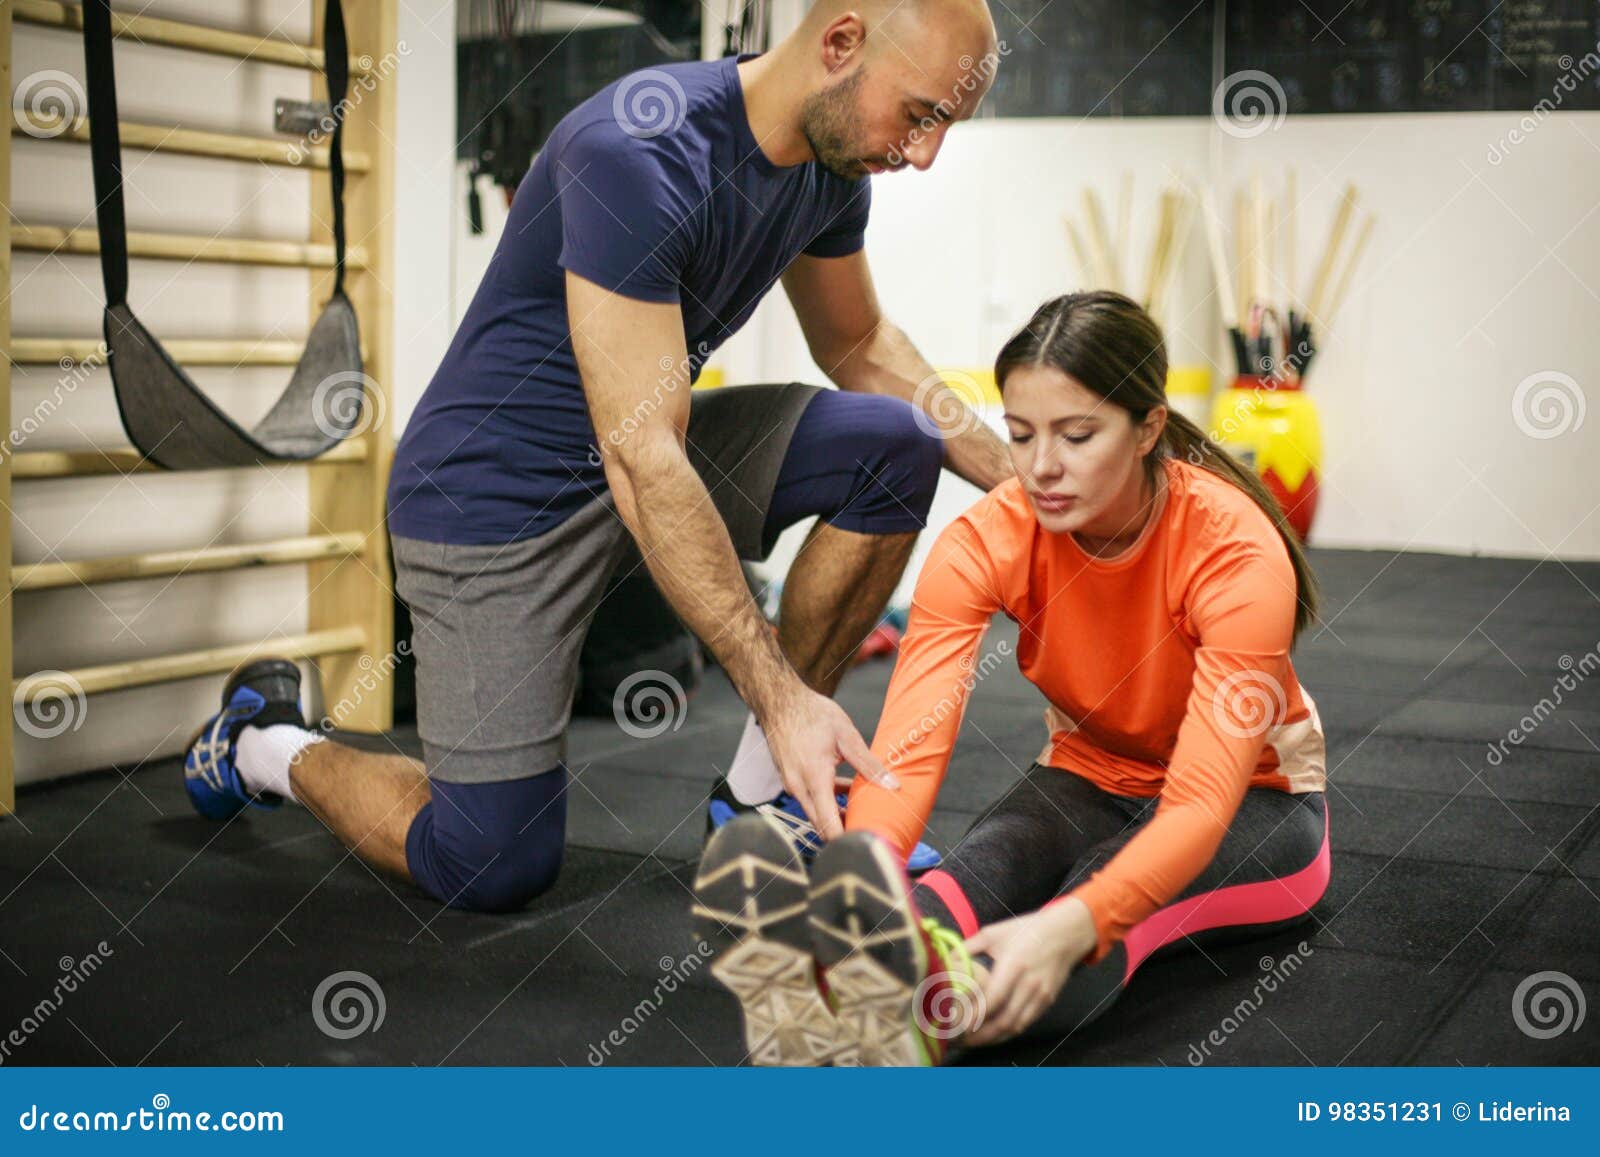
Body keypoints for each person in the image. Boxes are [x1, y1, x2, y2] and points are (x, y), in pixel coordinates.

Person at [180, 0, 1014, 914]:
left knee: (896, 443)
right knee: (490, 861)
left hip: (644, 457)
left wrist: (1029, 480)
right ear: (841, 45)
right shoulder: (637, 151)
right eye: (922, 114)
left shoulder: (831, 170)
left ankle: (760, 804)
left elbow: (860, 345)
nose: (923, 154)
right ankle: (263, 744)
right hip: (491, 502)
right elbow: (643, 458)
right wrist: (780, 694)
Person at [693, 291, 1331, 1065]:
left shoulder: (1235, 552)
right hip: (1087, 775)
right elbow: (909, 752)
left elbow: (1198, 801)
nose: (1042, 468)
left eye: (1078, 435)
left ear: (1149, 428)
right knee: (972, 873)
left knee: (1086, 914)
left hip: (1256, 804)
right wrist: (865, 880)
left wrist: (1077, 923)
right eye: (1021, 435)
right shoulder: (987, 537)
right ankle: (854, 978)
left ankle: (905, 1023)